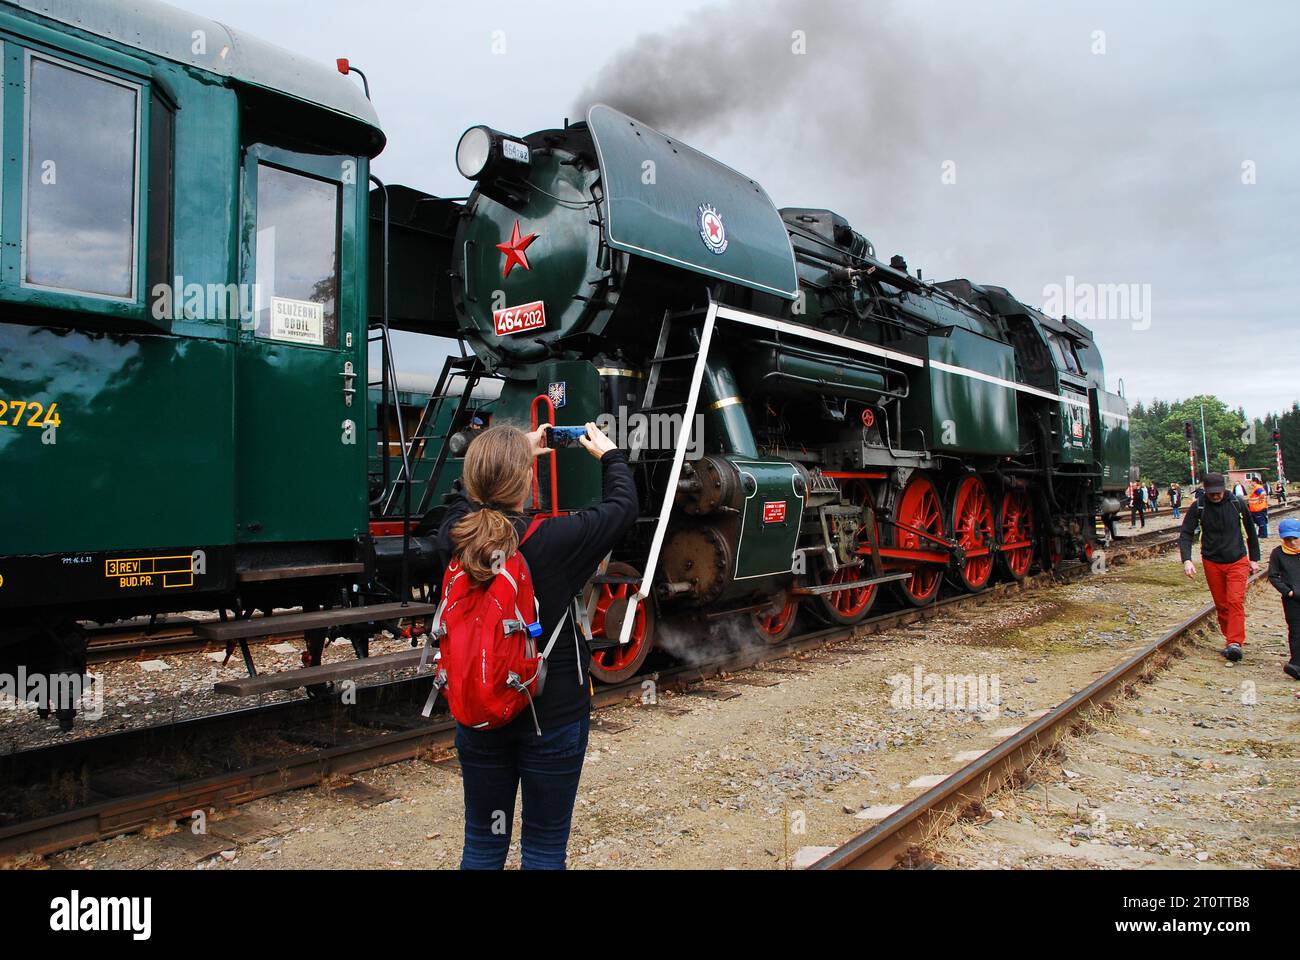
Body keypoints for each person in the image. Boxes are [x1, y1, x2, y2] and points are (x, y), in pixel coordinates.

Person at [432, 421, 637, 869]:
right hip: (552, 714)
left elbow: (460, 503)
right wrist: (611, 456)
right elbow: (623, 507)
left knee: (482, 845)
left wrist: (507, 453)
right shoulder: (556, 540)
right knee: (544, 849)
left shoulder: (453, 537)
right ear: (527, 479)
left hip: (479, 712)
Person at [1180, 472, 1261, 662]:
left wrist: (1254, 558)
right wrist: (1187, 560)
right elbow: (1185, 533)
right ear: (1205, 491)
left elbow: (1251, 530)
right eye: (1211, 493)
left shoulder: (1237, 503)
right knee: (1222, 605)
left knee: (1234, 601)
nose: (1216, 496)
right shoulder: (1198, 506)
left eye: (1218, 492)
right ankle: (1229, 639)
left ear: (1224, 489)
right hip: (1212, 561)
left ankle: (1235, 642)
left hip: (1237, 560)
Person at [1266, 517, 1300, 681]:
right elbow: (1273, 576)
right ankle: (1296, 664)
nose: (1292, 543)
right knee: (1295, 631)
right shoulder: (1278, 553)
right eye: (1288, 539)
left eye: (1295, 538)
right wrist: (1288, 592)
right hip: (1292, 600)